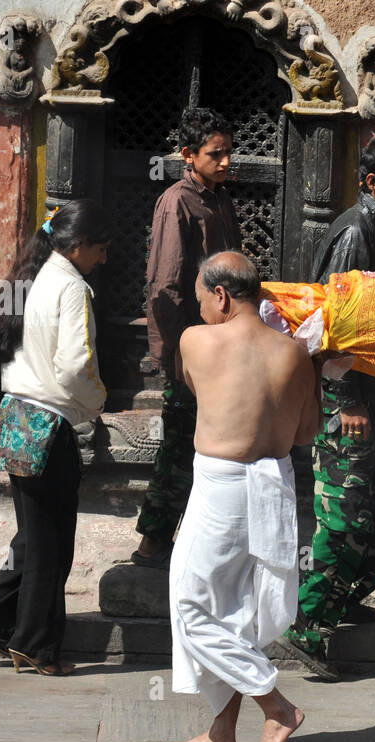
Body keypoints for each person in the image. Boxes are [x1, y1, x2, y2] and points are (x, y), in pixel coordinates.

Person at [169, 251, 321, 742]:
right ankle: (221, 733)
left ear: (220, 296)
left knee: (191, 604)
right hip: (272, 482)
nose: (201, 310)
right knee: (233, 612)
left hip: (222, 486)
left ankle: (277, 706)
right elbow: (307, 431)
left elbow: (198, 392)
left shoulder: (195, 340)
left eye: (201, 300)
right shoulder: (296, 353)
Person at [282, 134, 375, 677]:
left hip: (369, 391)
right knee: (346, 511)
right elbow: (334, 327)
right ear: (371, 184)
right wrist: (348, 401)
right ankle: (309, 628)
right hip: (347, 400)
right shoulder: (357, 233)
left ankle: (346, 595)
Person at [0, 200, 112, 675]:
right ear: (77, 245)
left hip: (15, 418)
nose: (104, 257)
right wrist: (97, 402)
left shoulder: (31, 278)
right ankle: (35, 645)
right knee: (52, 546)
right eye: (100, 247)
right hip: (49, 424)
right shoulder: (71, 287)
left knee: (32, 538)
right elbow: (74, 366)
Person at [133, 107, 243, 569]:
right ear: (187, 155)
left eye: (228, 153)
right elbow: (164, 284)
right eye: (215, 155)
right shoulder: (176, 202)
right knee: (178, 446)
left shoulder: (220, 200)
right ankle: (153, 542)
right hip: (189, 349)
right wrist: (169, 355)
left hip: (223, 345)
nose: (225, 162)